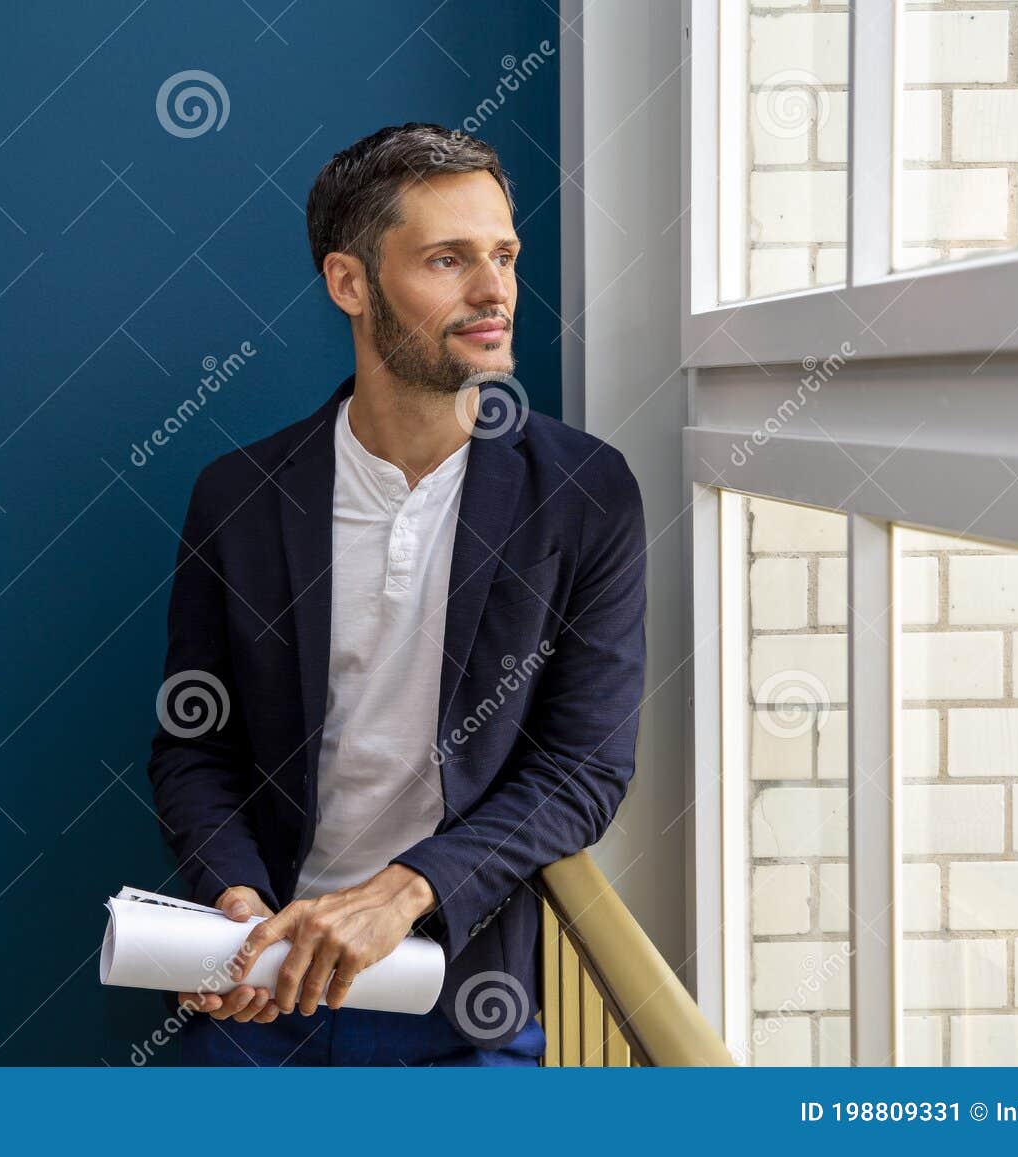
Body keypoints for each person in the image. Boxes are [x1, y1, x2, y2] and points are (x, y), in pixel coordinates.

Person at [145, 122, 647, 1066]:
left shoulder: (588, 494)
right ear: (350, 283)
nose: (495, 290)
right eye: (448, 259)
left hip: (463, 991)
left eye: (503, 254)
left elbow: (584, 768)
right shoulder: (238, 496)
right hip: (261, 981)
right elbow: (194, 745)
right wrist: (232, 901)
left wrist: (407, 887)